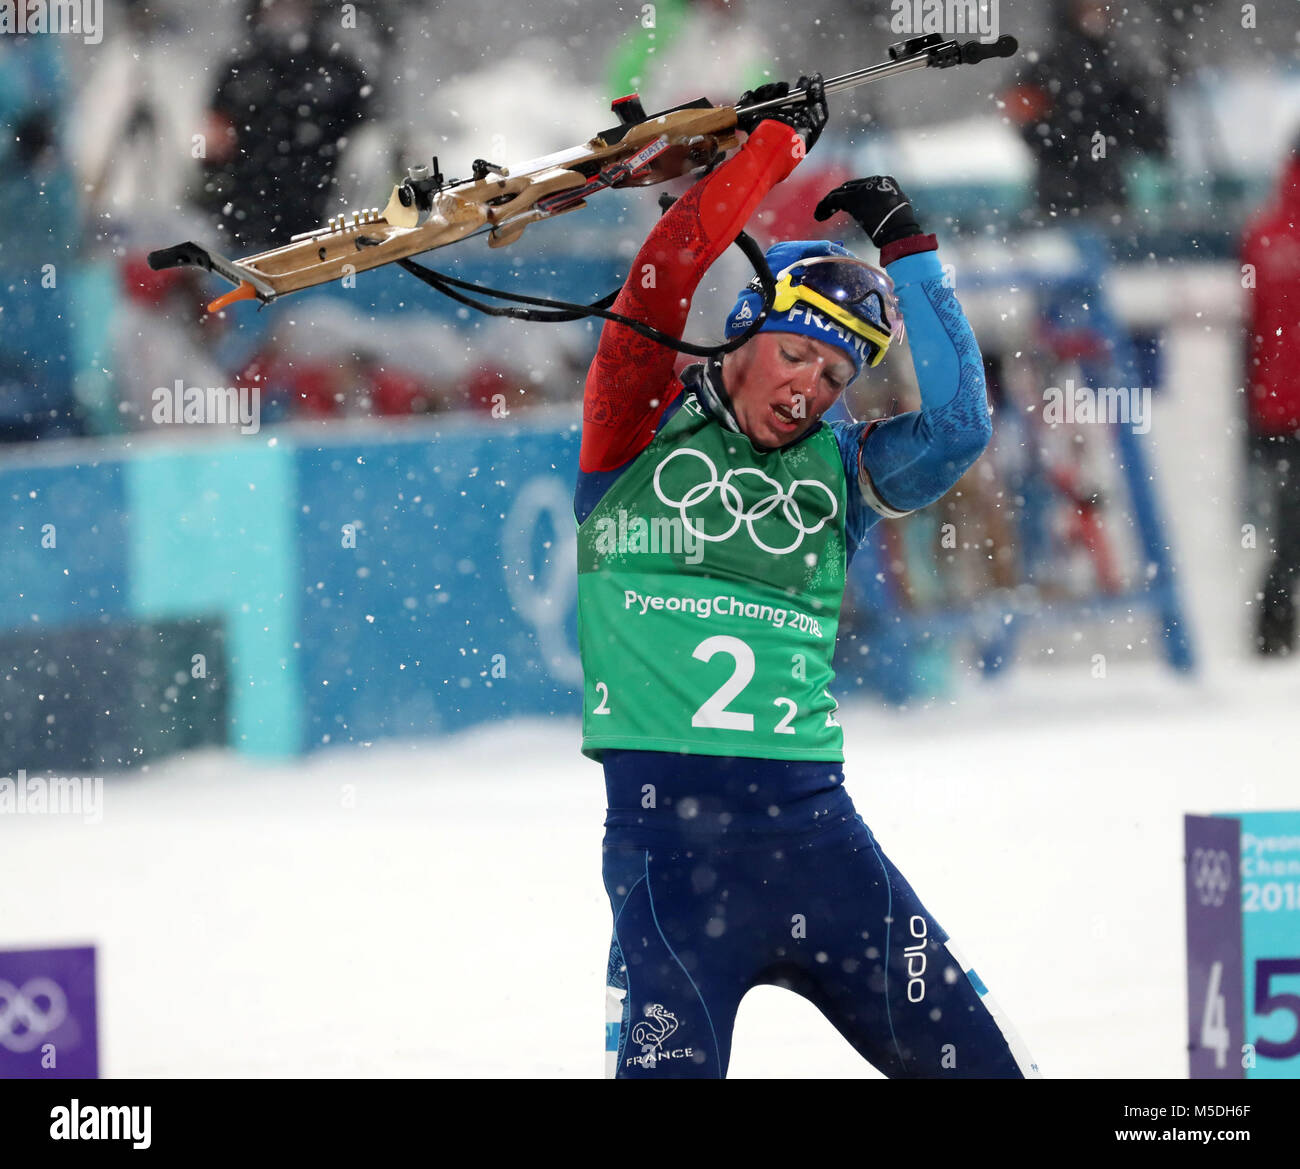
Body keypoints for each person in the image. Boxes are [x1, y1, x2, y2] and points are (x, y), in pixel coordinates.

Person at [575, 77, 1040, 1078]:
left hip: (823, 845)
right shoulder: (630, 433)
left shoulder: (843, 469)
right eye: (793, 353)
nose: (808, 386)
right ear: (741, 332)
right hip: (671, 867)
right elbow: (661, 276)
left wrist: (908, 245)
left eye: (834, 376)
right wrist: (767, 150)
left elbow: (957, 425)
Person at [1241, 133, 1300, 656]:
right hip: (1282, 408)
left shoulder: (1264, 234)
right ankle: (1273, 633)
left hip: (1278, 411)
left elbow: (1253, 327)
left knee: (1287, 532)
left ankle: (1273, 635)